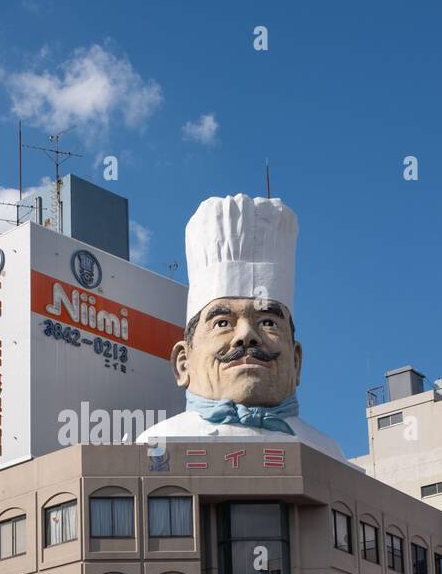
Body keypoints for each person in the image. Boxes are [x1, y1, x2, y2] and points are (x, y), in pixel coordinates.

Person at [138, 193, 346, 461]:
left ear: (297, 362)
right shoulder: (155, 445)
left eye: (268, 322)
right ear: (183, 362)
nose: (246, 335)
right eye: (222, 323)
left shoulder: (326, 454)